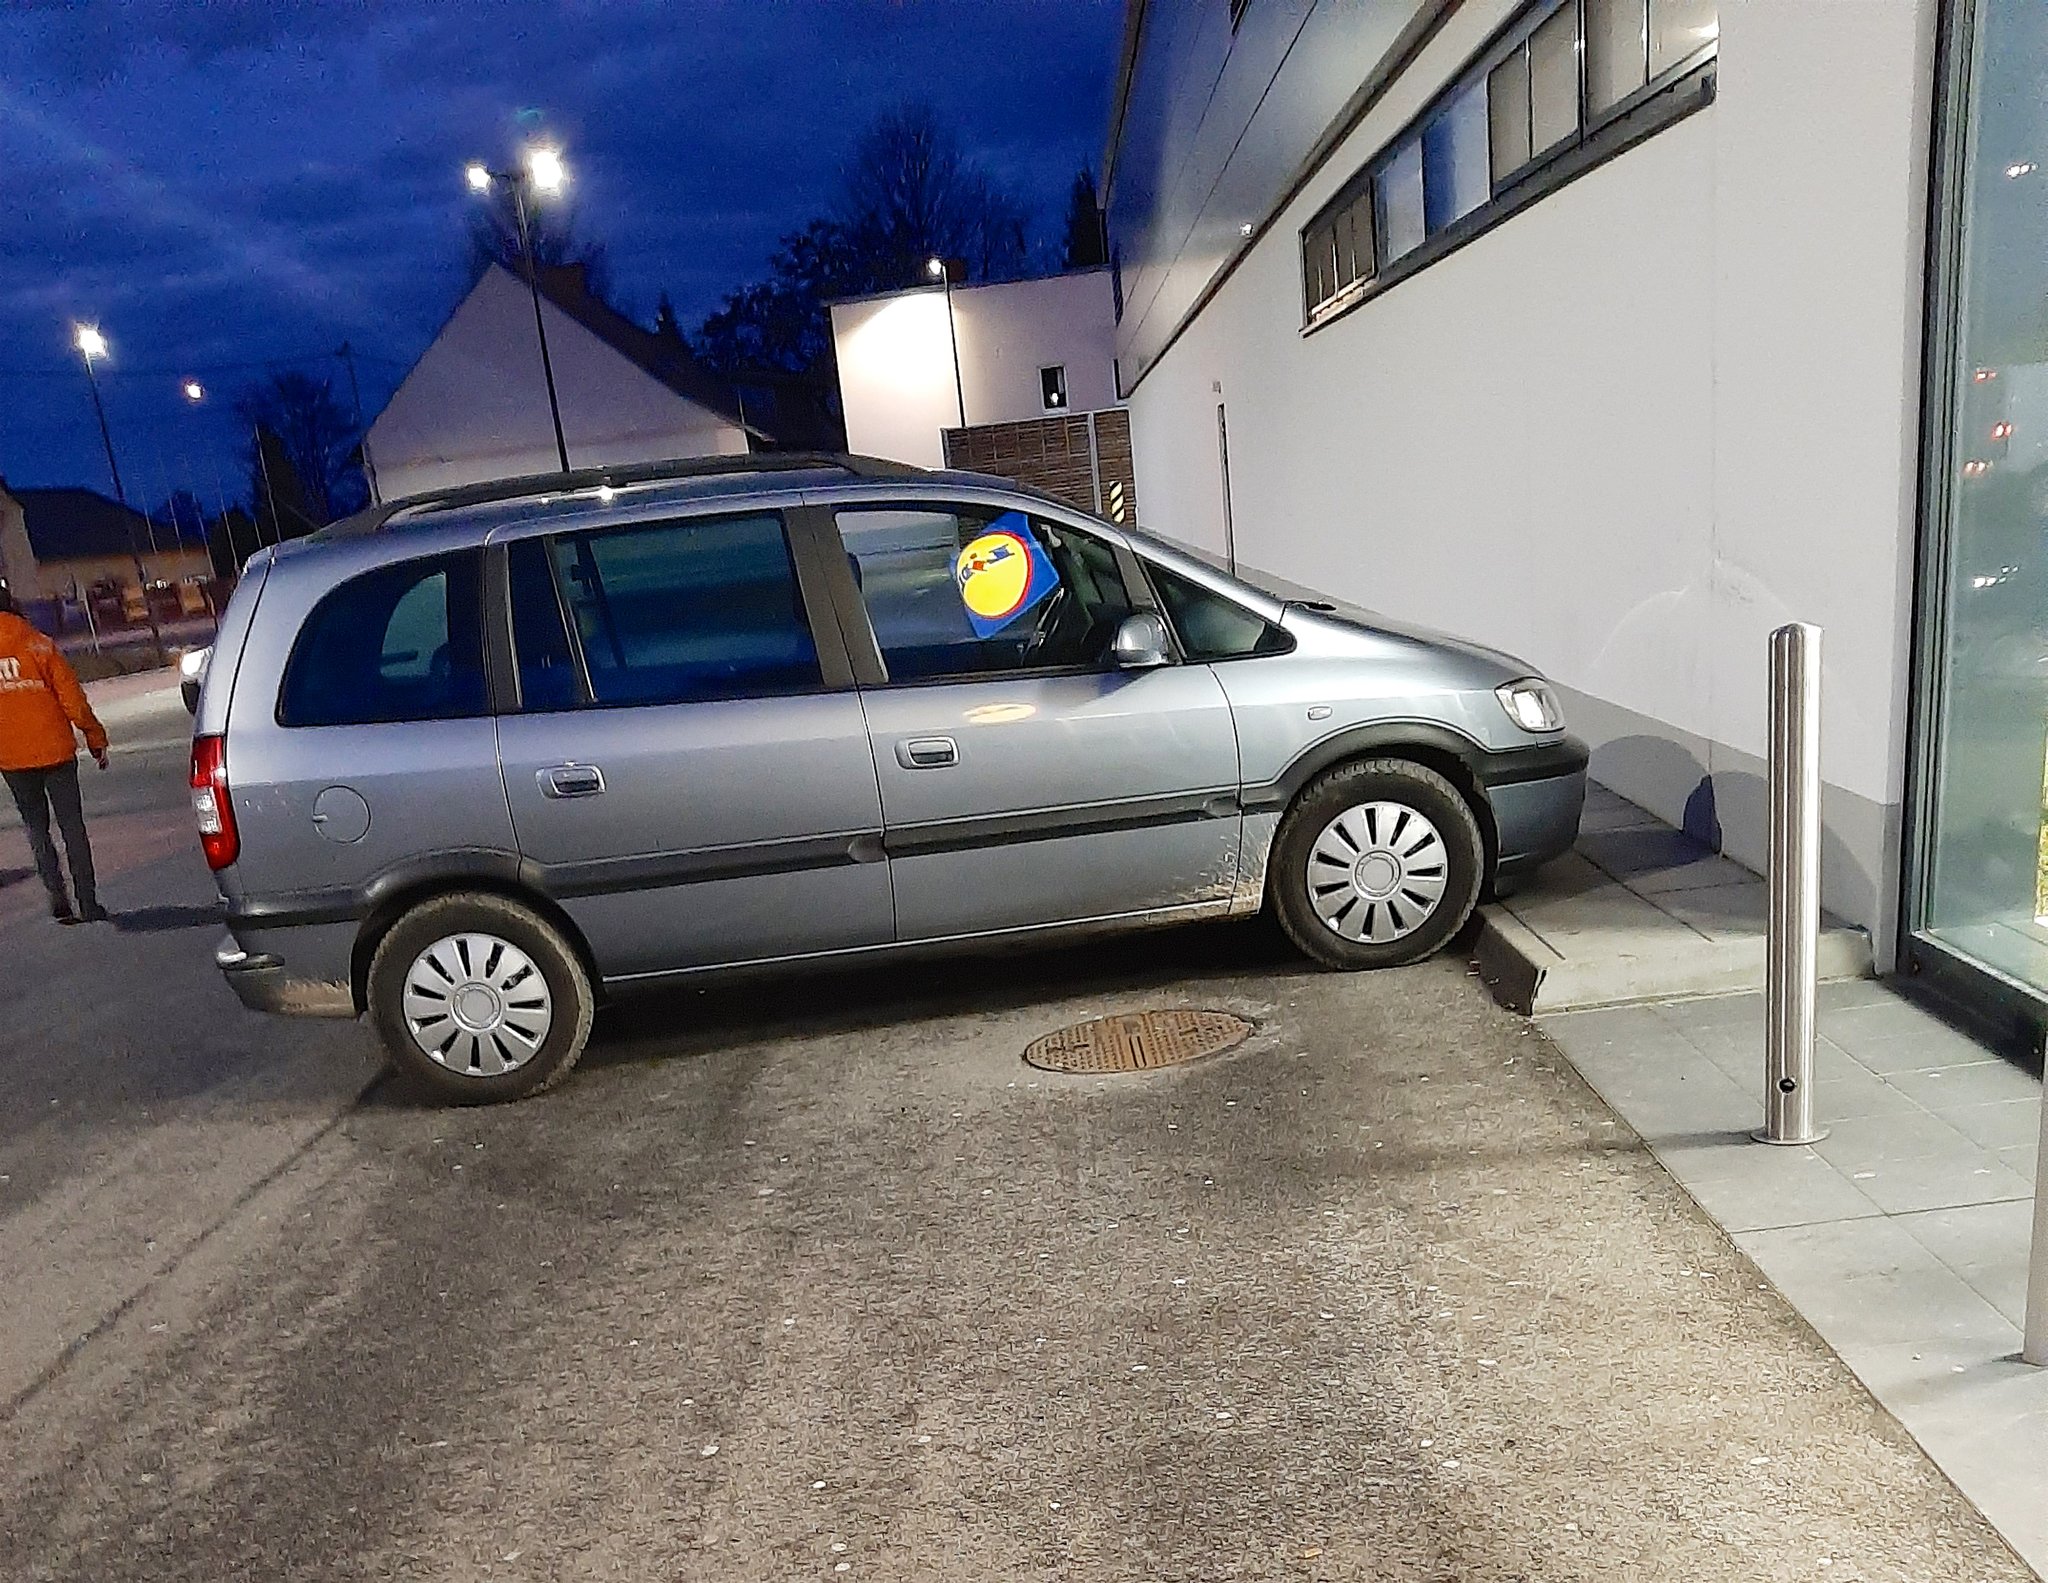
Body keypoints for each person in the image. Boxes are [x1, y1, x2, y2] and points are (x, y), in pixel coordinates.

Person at [0, 583, 109, 924]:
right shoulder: (39, 644)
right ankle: (88, 902)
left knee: (36, 827)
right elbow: (73, 701)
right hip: (56, 751)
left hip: (12, 758)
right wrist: (95, 737)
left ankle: (56, 895)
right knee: (72, 827)